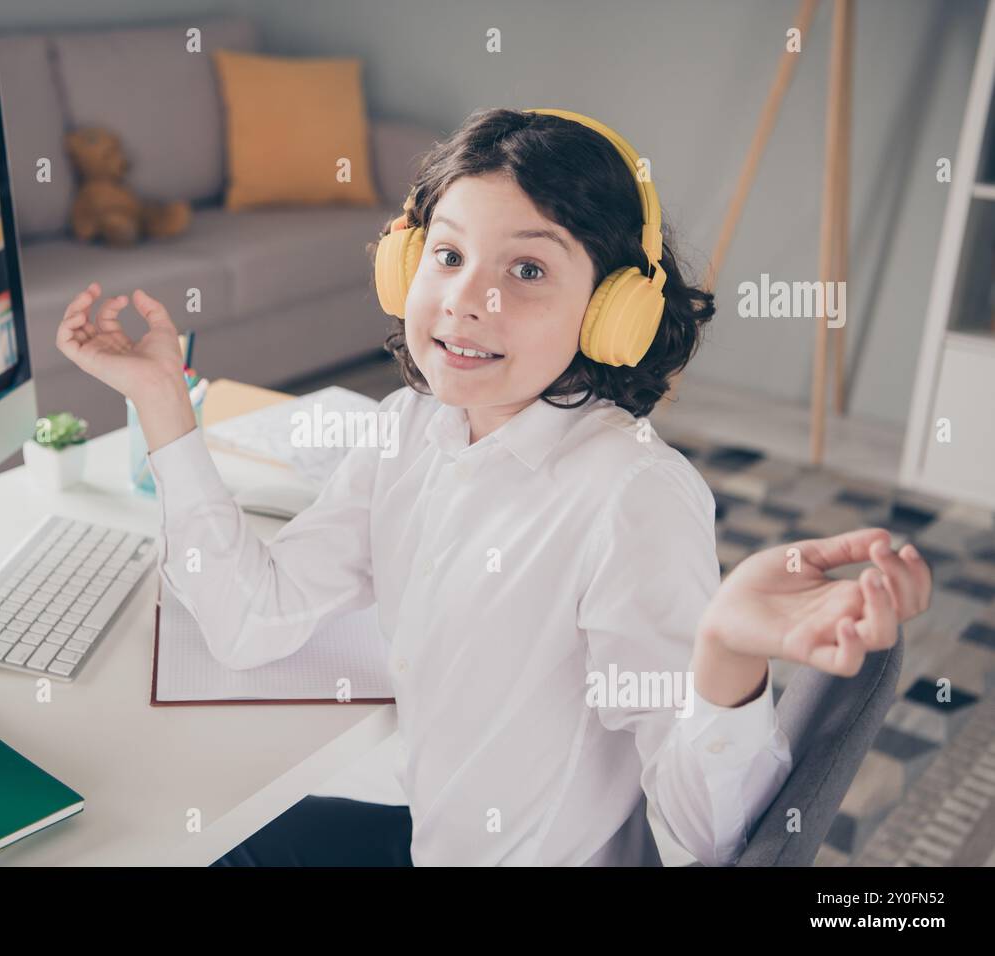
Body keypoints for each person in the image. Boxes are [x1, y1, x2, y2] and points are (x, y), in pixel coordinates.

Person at [55, 108, 932, 866]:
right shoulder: (408, 430)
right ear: (404, 268)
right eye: (447, 255)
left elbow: (712, 835)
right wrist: (163, 400)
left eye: (528, 270)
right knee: (186, 841)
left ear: (610, 311)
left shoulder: (631, 497)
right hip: (436, 835)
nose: (468, 299)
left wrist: (728, 658)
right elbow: (250, 621)